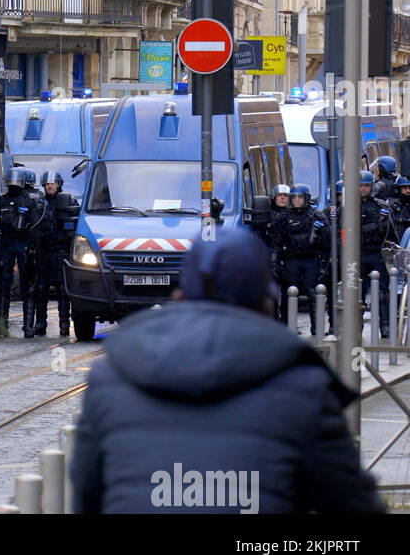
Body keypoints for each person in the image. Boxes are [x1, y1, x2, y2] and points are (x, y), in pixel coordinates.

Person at [69, 227, 385, 514]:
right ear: (264, 303)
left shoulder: (111, 376)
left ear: (180, 295)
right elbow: (353, 503)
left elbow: (86, 495)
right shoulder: (304, 387)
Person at [339, 170, 398, 337]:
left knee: (382, 293)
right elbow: (339, 232)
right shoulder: (347, 207)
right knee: (355, 293)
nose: (363, 189)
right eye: (360, 186)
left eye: (366, 186)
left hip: (376, 254)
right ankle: (355, 329)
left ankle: (385, 327)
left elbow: (391, 232)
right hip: (356, 255)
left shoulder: (381, 206)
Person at [273, 183, 330, 334]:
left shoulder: (317, 216)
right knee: (290, 292)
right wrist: (275, 263)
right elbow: (277, 243)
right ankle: (288, 326)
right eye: (295, 197)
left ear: (306, 199)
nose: (297, 200)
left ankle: (316, 328)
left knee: (313, 293)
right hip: (292, 259)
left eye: (300, 197)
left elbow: (327, 243)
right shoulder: (284, 218)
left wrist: (324, 263)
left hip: (311, 259)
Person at [0, 168, 39, 336]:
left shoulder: (29, 201)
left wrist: (32, 244)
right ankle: (1, 323)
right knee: (3, 285)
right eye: (11, 180)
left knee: (28, 286)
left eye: (18, 181)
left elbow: (36, 224)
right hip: (7, 244)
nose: (14, 183)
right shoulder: (1, 201)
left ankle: (28, 325)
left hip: (23, 244)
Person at [33, 171, 71, 336]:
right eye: (47, 183)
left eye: (53, 183)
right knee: (41, 288)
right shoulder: (39, 204)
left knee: (63, 289)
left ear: (59, 185)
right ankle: (40, 323)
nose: (50, 185)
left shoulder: (68, 201)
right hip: (43, 252)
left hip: (61, 251)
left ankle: (64, 324)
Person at [388, 175, 410, 240]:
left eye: (409, 187)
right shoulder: (392, 205)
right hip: (398, 243)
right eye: (404, 187)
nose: (408, 191)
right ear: (399, 189)